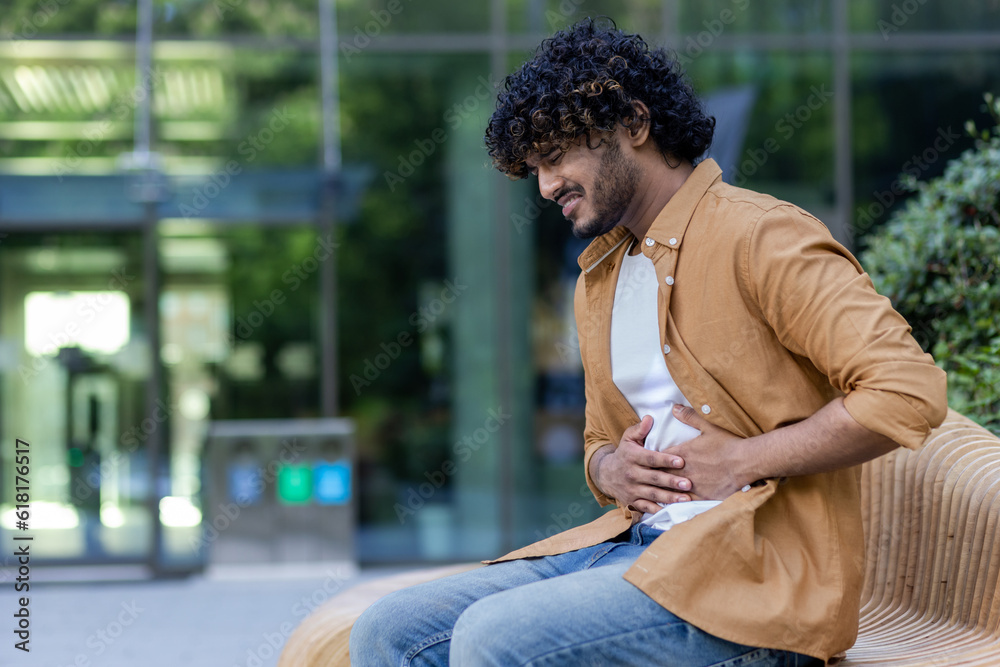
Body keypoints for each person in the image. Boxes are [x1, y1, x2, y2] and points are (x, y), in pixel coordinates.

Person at [350, 17, 947, 667]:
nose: (546, 186)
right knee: (388, 629)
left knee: (493, 638)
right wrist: (612, 468)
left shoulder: (764, 237)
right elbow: (599, 446)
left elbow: (907, 390)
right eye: (535, 169)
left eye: (555, 157)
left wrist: (745, 459)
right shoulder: (599, 279)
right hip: (636, 548)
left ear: (633, 125)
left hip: (755, 589)